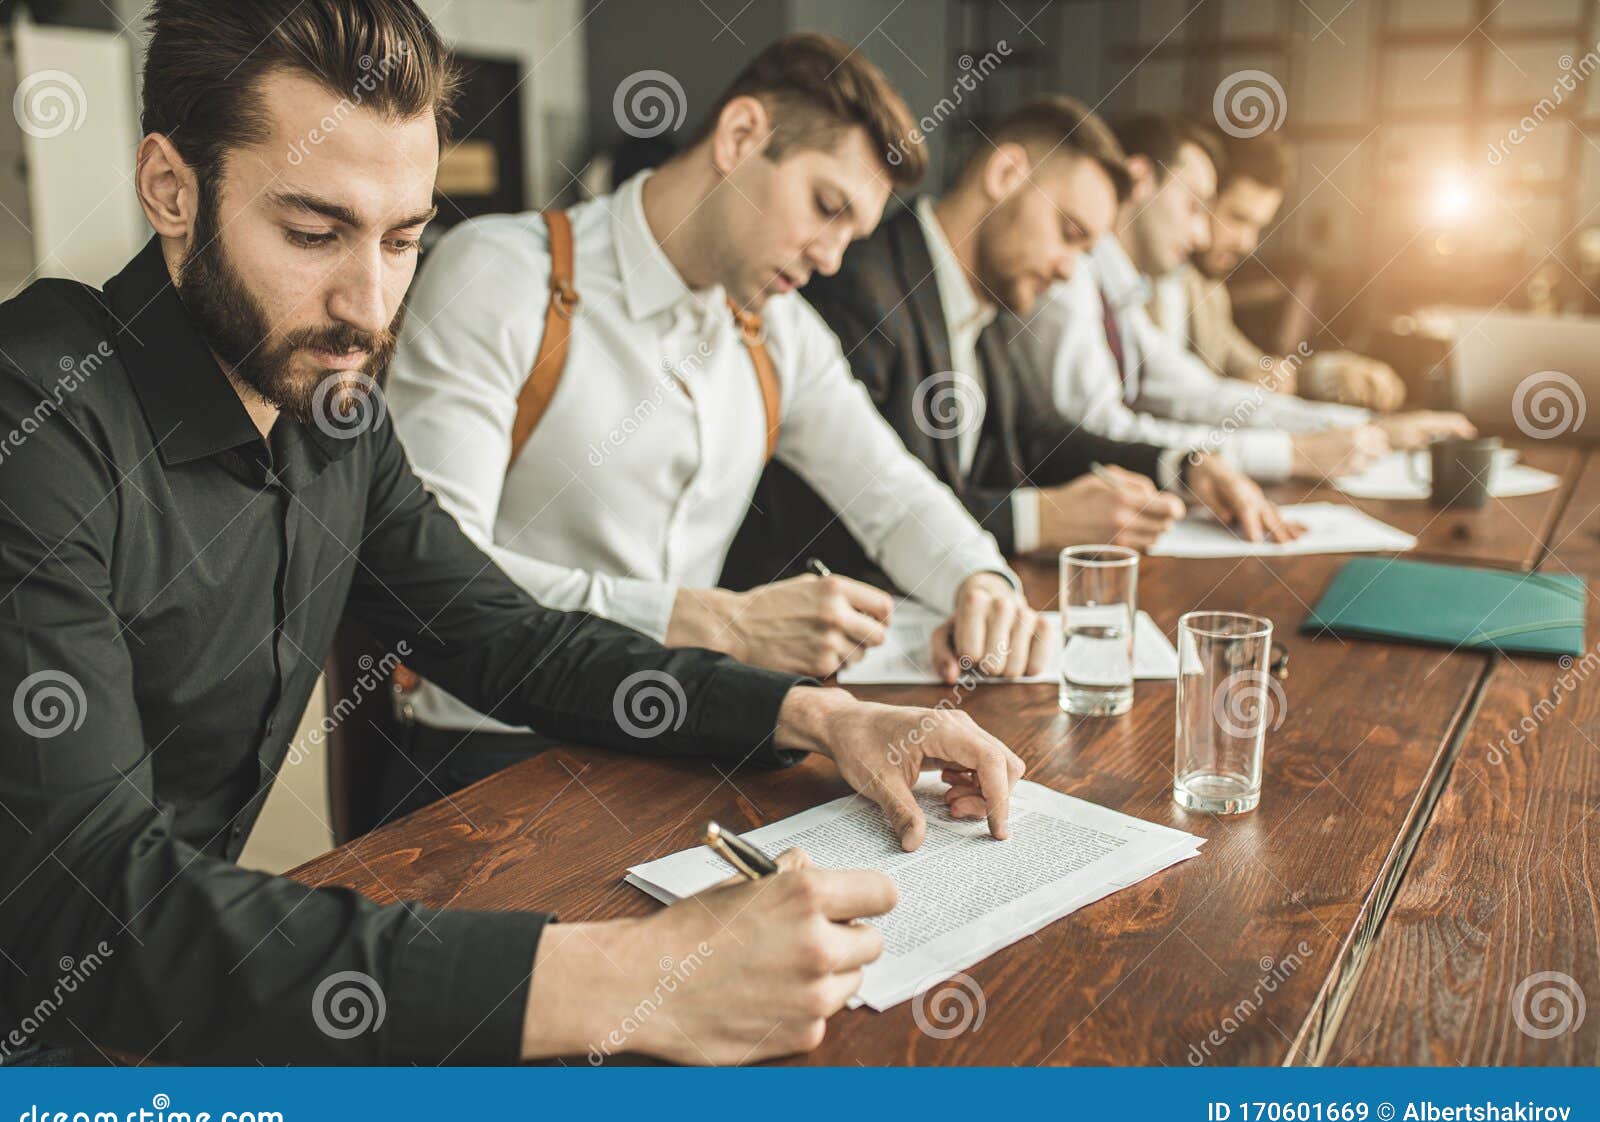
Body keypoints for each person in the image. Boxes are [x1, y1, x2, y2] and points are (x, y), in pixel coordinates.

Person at [0, 0, 1027, 1067]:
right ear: (172, 187)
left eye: (403, 240)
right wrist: (632, 978)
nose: (369, 305)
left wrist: (820, 717)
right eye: (313, 233)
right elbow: (89, 912)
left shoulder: (330, 412)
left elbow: (504, 635)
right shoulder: (33, 422)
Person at [380, 33, 1056, 814]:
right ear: (739, 137)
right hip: (490, 757)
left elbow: (892, 490)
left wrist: (981, 578)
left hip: (682, 740)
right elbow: (437, 578)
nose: (833, 257)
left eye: (853, 234)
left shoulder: (784, 332)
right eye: (826, 207)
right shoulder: (500, 274)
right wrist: (716, 621)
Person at [723, 95, 1300, 589]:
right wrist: (1036, 520)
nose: (1071, 270)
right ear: (1005, 175)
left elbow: (1043, 433)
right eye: (1069, 234)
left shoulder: (991, 304)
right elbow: (840, 517)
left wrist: (1184, 464)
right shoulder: (859, 284)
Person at [1012, 114, 1473, 483]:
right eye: (1198, 208)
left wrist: (1361, 428)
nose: (1200, 234)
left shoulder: (1135, 292)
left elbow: (1207, 393)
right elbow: (1106, 430)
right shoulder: (1072, 278)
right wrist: (1289, 454)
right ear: (1140, 180)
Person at [1170, 130, 1405, 411]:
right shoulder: (1162, 278)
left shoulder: (1208, 287)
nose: (1247, 244)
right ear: (1203, 196)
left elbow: (1254, 368)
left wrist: (1332, 373)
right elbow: (1180, 395)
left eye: (1258, 226)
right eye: (1238, 218)